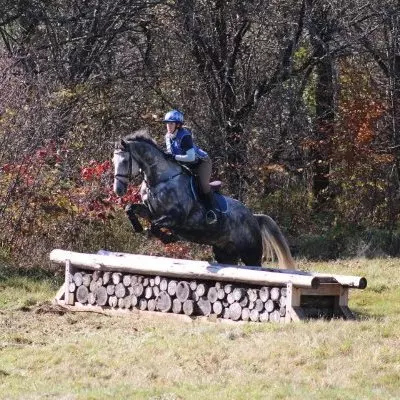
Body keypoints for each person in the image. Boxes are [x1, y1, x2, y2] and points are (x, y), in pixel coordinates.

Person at [163, 109, 217, 225]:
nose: (168, 126)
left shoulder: (185, 136)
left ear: (178, 125)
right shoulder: (167, 137)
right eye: (167, 123)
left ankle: (211, 211)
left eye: (171, 123)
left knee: (203, 185)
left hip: (201, 163)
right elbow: (171, 155)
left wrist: (174, 157)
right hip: (186, 165)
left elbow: (191, 157)